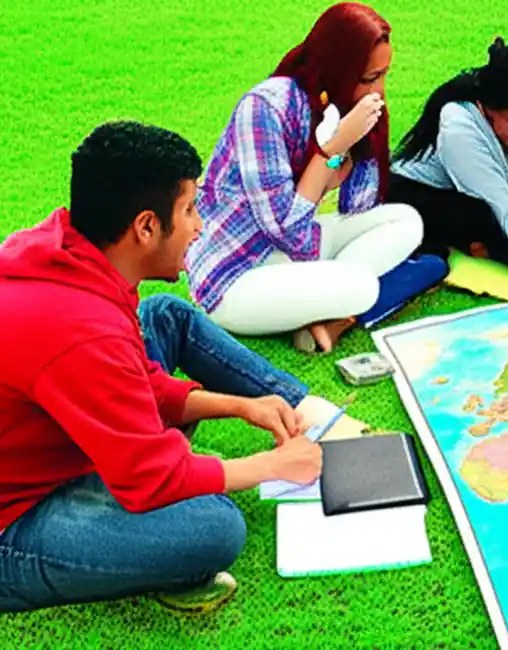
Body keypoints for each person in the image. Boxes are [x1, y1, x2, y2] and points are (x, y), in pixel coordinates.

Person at [0, 121, 327, 614]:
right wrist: (271, 467)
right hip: (15, 518)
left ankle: (305, 407)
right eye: (191, 210)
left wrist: (241, 406)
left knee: (165, 317)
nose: (199, 226)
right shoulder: (84, 331)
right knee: (215, 527)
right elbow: (149, 479)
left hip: (55, 425)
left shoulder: (73, 253)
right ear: (146, 227)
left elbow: (134, 373)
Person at [186, 2, 435, 354]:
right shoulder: (265, 108)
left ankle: (315, 304)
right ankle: (324, 304)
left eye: (383, 76)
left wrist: (366, 133)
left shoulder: (336, 103)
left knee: (407, 221)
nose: (378, 91)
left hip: (293, 251)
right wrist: (332, 150)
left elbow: (358, 205)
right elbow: (286, 231)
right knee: (362, 287)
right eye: (369, 78)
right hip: (235, 274)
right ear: (338, 67)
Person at [388, 38, 508, 300]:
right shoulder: (460, 133)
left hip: (483, 198)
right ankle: (471, 248)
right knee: (480, 216)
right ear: (487, 108)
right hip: (419, 198)